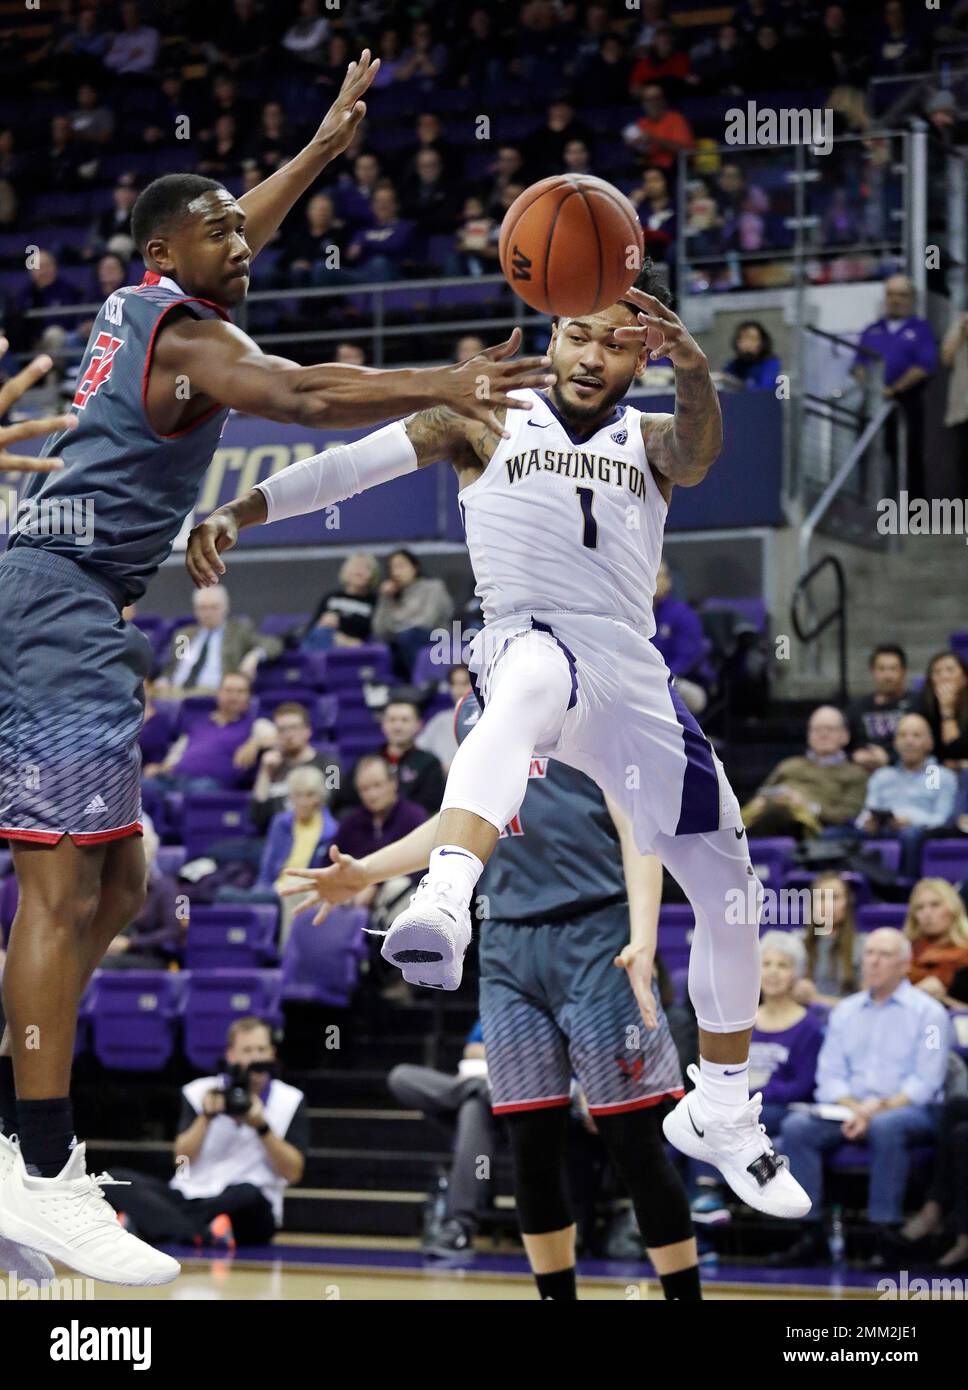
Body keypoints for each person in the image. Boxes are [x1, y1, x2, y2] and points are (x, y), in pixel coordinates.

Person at [0, 49, 554, 1288]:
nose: (240, 242)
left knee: (131, 879)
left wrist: (315, 150)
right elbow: (302, 395)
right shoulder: (190, 339)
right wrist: (445, 377)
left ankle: (14, 1119)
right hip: (55, 600)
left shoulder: (144, 299)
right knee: (59, 886)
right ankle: (37, 1167)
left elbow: (220, 223)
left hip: (58, 590)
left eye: (236, 226)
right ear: (165, 256)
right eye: (216, 234)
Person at [192, 259, 811, 1223]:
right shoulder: (480, 412)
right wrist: (241, 509)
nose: (593, 353)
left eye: (619, 341)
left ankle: (723, 1109)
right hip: (527, 637)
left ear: (638, 353)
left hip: (631, 676)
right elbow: (352, 466)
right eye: (580, 334)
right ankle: (443, 895)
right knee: (526, 675)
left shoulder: (650, 434)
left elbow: (697, 455)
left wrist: (694, 372)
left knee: (730, 883)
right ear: (553, 331)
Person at [285, 688, 701, 1298]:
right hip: (508, 943)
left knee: (632, 1142)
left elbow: (633, 821)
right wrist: (367, 872)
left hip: (598, 933)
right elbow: (463, 816)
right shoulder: (469, 712)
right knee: (530, 1143)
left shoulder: (592, 696)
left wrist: (644, 934)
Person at [774, 929, 950, 1266]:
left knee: (887, 1128)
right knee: (797, 1127)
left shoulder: (929, 1015)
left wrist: (874, 1112)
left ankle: (886, 1235)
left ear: (904, 964)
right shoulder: (845, 1012)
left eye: (883, 955)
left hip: (910, 1110)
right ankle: (809, 1233)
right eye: (868, 953)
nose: (873, 961)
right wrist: (855, 1109)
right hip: (849, 1109)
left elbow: (926, 1082)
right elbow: (829, 1076)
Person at [102, 1017, 308, 1248]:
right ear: (231, 1055)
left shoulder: (290, 1099)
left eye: (261, 1050)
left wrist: (262, 1127)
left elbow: (293, 1174)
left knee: (249, 1195)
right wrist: (205, 1118)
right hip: (189, 1194)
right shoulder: (200, 1092)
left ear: (272, 1054)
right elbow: (181, 1162)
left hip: (242, 1203)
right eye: (247, 1050)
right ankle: (204, 1231)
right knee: (112, 1180)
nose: (255, 1058)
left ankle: (156, 1226)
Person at [387, 1020, 496, 1257]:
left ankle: (460, 1225)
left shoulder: (558, 1003)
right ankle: (477, 1090)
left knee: (473, 1107)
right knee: (401, 1077)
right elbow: (472, 1049)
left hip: (521, 1107)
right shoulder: (499, 997)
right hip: (483, 1089)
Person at [852, 275, 938, 499]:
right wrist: (871, 387)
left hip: (905, 403)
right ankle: (869, 509)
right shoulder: (871, 330)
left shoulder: (920, 329)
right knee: (868, 456)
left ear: (911, 299)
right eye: (891, 294)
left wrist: (894, 389)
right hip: (872, 403)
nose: (895, 300)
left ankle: (915, 516)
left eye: (901, 295)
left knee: (909, 457)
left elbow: (923, 366)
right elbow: (859, 365)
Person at [742, 705, 869, 837]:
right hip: (769, 815)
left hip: (811, 826)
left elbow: (847, 815)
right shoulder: (788, 765)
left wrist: (809, 806)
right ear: (808, 735)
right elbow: (761, 794)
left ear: (845, 736)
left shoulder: (856, 774)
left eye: (830, 729)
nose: (823, 734)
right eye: (817, 729)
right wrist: (762, 801)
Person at [855, 714, 957, 874]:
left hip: (918, 833)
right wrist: (867, 821)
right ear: (895, 742)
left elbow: (941, 819)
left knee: (909, 835)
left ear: (929, 743)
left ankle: (904, 889)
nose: (909, 741)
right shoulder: (883, 775)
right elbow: (867, 810)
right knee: (835, 835)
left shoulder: (935, 774)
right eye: (902, 735)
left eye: (916, 735)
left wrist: (911, 821)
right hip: (882, 830)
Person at [142, 672, 274, 794]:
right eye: (229, 691)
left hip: (209, 785)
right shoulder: (198, 724)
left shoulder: (256, 725)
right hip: (175, 779)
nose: (234, 696)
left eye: (240, 692)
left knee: (201, 790)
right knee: (141, 787)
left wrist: (255, 743)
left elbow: (276, 737)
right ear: (219, 694)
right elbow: (177, 755)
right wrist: (160, 768)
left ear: (249, 697)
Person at [98, 814, 186, 969]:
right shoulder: (110, 887)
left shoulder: (166, 887)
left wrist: (130, 943)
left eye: (142, 845)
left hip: (150, 956)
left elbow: (174, 930)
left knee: (102, 964)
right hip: (112, 953)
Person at [157, 584, 281, 693]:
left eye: (214, 607)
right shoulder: (184, 635)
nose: (208, 613)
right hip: (176, 693)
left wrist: (255, 655)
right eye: (203, 608)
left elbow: (273, 644)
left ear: (225, 608)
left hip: (214, 693)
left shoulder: (238, 631)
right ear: (195, 611)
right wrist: (164, 680)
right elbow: (174, 665)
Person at [249, 703, 337, 834]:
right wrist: (265, 771)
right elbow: (257, 816)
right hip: (275, 838)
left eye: (294, 728)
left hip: (313, 834)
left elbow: (332, 802)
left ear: (308, 730)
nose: (288, 735)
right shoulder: (273, 766)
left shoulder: (331, 765)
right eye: (282, 730)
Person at [371, 549, 453, 678]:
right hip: (401, 642)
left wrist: (399, 628)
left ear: (415, 567)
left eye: (401, 566)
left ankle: (420, 684)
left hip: (433, 638)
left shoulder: (433, 587)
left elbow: (428, 621)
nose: (396, 572)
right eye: (392, 568)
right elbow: (380, 630)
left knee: (410, 636)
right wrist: (384, 598)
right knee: (380, 645)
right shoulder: (392, 596)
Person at [650, 559, 711, 715]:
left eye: (656, 576)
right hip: (646, 680)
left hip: (685, 683)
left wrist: (659, 678)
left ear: (667, 581)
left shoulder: (682, 613)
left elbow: (687, 658)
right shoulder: (639, 616)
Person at [795, 874, 863, 1009]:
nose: (828, 904)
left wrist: (817, 1000)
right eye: (821, 898)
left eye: (835, 897)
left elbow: (868, 1003)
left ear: (847, 904)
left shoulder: (863, 946)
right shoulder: (797, 944)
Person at [845, 643, 915, 770]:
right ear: (873, 672)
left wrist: (889, 758)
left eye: (893, 669)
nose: (887, 676)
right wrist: (854, 757)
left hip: (907, 772)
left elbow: (929, 748)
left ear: (903, 672)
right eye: (881, 669)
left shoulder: (916, 704)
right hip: (863, 775)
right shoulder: (857, 708)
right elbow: (842, 745)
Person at [904, 878, 968, 1007]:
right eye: (920, 907)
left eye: (935, 905)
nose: (927, 913)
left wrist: (943, 999)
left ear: (952, 909)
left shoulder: (965, 957)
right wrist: (915, 994)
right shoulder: (902, 956)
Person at [302, 551, 379, 648]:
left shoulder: (375, 601)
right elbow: (311, 627)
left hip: (355, 650)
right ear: (345, 571)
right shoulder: (331, 597)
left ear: (373, 575)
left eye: (366, 567)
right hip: (323, 640)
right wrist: (323, 624)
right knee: (319, 634)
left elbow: (376, 631)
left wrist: (345, 640)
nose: (360, 570)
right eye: (356, 566)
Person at [416, 665, 472, 773]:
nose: (459, 690)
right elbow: (419, 751)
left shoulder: (486, 718)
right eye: (454, 684)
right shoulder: (440, 720)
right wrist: (437, 768)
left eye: (465, 683)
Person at [920, 650, 968, 769]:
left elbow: (956, 752)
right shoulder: (923, 706)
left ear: (964, 678)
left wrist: (947, 712)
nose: (944, 677)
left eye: (950, 670)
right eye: (937, 672)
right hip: (935, 771)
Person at [720, 321, 781, 391]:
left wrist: (738, 384)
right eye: (742, 338)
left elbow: (764, 389)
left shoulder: (770, 363)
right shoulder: (733, 364)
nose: (746, 343)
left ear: (762, 342)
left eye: (751, 338)